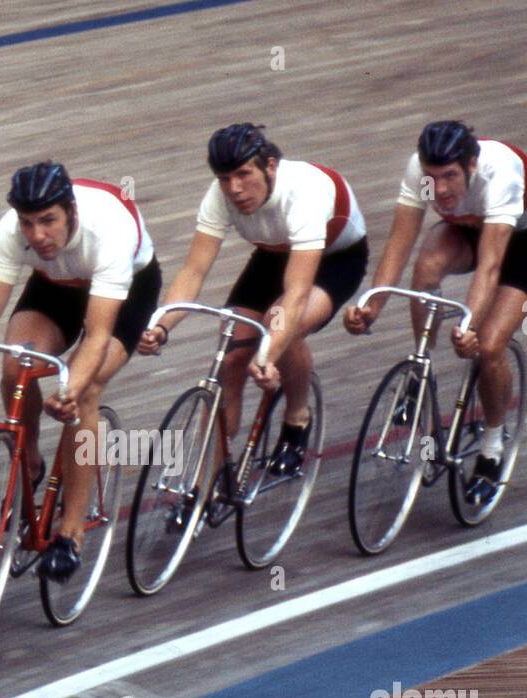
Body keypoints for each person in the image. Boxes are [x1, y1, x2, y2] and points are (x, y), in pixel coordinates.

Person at [0, 162, 161, 582]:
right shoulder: (11, 232)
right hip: (55, 287)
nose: (37, 235)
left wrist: (70, 386)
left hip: (123, 295)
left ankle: (70, 532)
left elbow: (96, 336)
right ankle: (31, 459)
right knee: (16, 363)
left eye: (48, 221)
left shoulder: (107, 231)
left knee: (83, 392)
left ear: (70, 210)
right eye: (28, 223)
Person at [344, 120, 527, 503]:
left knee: (489, 347)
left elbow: (492, 265)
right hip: (469, 230)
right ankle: (420, 371)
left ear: (471, 166)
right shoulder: (419, 171)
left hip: (523, 242)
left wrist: (467, 326)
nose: (439, 189)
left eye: (450, 177)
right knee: (425, 267)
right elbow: (399, 242)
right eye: (431, 177)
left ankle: (492, 446)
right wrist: (371, 304)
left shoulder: (499, 174)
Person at [138, 123, 368, 475]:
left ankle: (297, 420)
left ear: (271, 166)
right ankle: (210, 478)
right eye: (225, 178)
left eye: (244, 175)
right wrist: (161, 325)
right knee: (231, 358)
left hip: (334, 260)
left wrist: (267, 355)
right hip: (273, 254)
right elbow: (193, 272)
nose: (235, 189)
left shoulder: (302, 194)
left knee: (280, 325)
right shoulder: (220, 196)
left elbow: (296, 293)